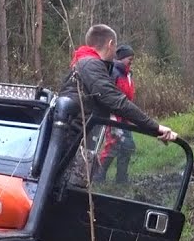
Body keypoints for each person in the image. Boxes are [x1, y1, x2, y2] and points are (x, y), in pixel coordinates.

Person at [60, 25, 177, 185]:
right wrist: (155, 127)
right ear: (110, 44)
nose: (115, 52)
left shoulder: (87, 63)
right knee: (68, 186)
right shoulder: (90, 65)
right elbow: (117, 101)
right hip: (71, 140)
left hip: (78, 138)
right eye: (114, 46)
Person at [98, 44, 137, 184]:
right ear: (121, 58)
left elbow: (128, 97)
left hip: (125, 117)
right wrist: (112, 118)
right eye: (129, 58)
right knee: (112, 145)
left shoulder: (128, 74)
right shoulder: (113, 72)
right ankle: (98, 177)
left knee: (128, 145)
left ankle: (121, 179)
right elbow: (108, 97)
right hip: (113, 117)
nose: (131, 61)